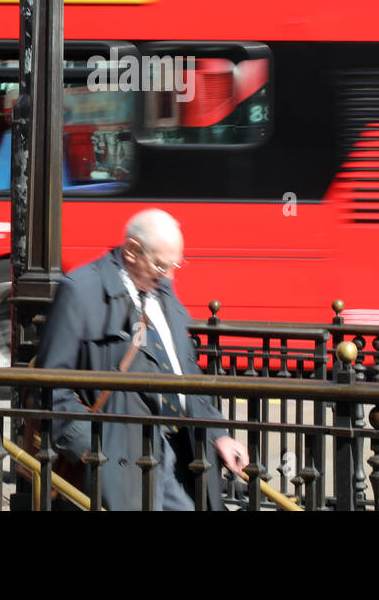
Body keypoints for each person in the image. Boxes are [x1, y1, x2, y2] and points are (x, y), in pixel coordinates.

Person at [37, 208, 250, 510]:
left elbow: (185, 370)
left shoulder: (162, 289)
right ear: (133, 251)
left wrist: (217, 433)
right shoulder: (80, 291)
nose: (170, 275)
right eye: (162, 266)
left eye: (175, 265)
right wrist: (89, 447)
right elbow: (49, 384)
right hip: (120, 455)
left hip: (180, 448)